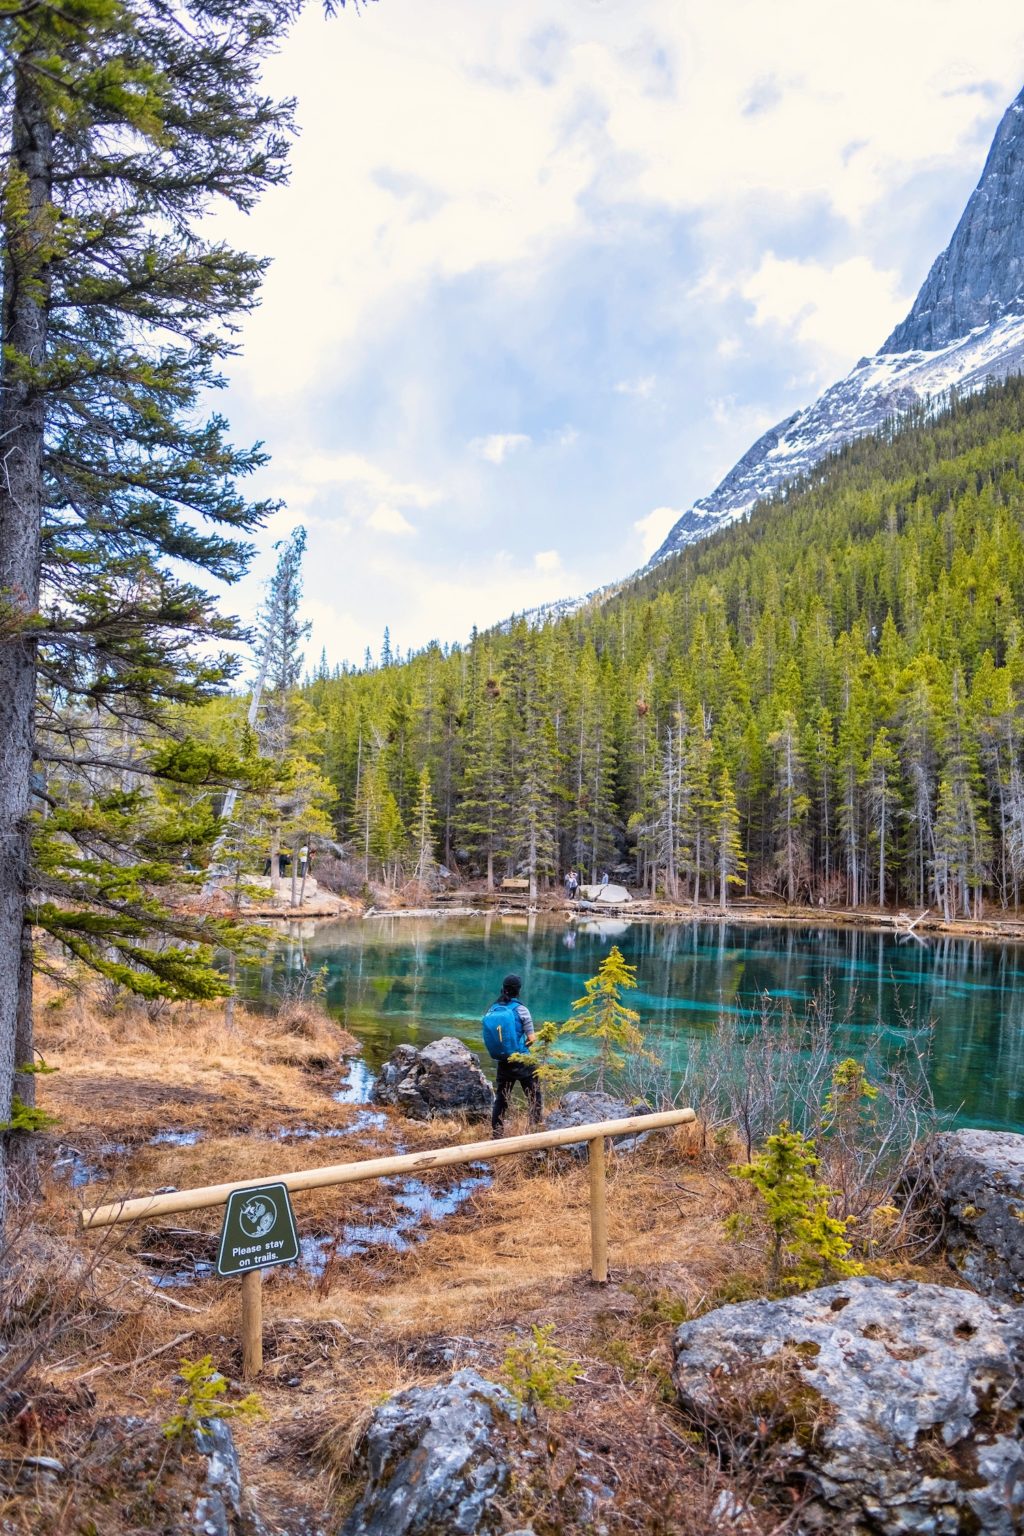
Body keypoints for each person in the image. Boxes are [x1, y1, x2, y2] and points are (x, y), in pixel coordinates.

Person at [484, 973, 542, 1138]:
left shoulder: (493, 1008)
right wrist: (523, 1046)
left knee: (501, 1100)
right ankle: (535, 1132)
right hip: (523, 1060)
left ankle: (496, 1135)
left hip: (503, 1060)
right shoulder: (522, 1010)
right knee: (534, 1097)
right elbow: (531, 1038)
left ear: (503, 989)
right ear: (518, 991)